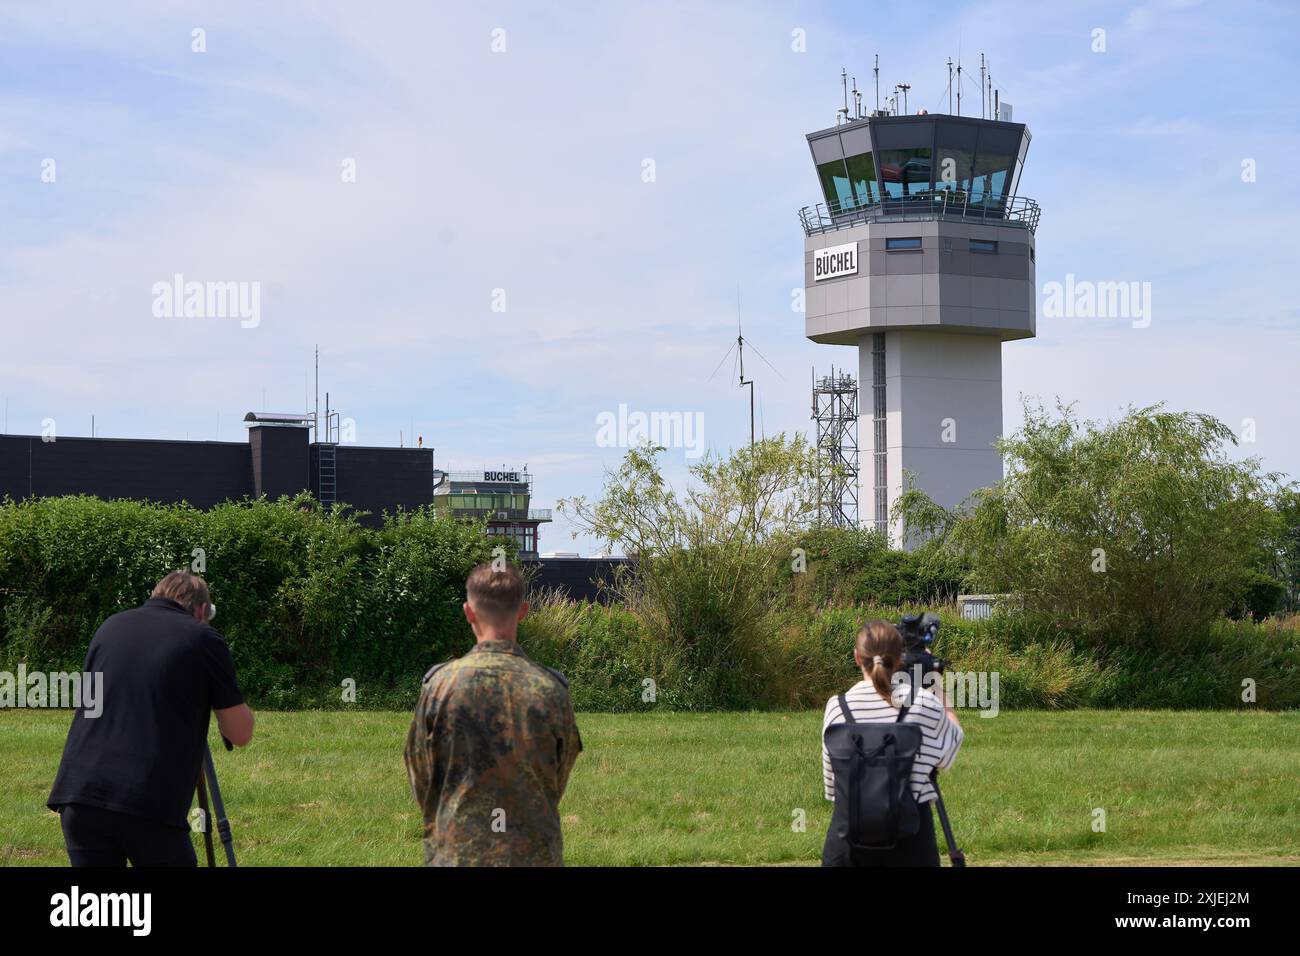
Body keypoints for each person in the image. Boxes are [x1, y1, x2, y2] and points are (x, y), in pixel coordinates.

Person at [47, 571, 254, 866]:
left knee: (102, 912)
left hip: (79, 796)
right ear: (201, 610)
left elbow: (92, 706)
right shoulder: (202, 637)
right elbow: (240, 733)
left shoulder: (110, 626)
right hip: (144, 801)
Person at [404, 562, 582, 866]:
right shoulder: (551, 689)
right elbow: (557, 776)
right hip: (533, 855)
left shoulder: (440, 686)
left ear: (468, 612)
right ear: (523, 610)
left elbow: (421, 773)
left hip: (458, 854)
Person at [821, 619, 963, 866]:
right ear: (900, 659)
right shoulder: (923, 704)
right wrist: (935, 682)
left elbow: (832, 787)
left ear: (857, 657)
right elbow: (950, 748)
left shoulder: (837, 707)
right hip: (911, 844)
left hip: (848, 846)